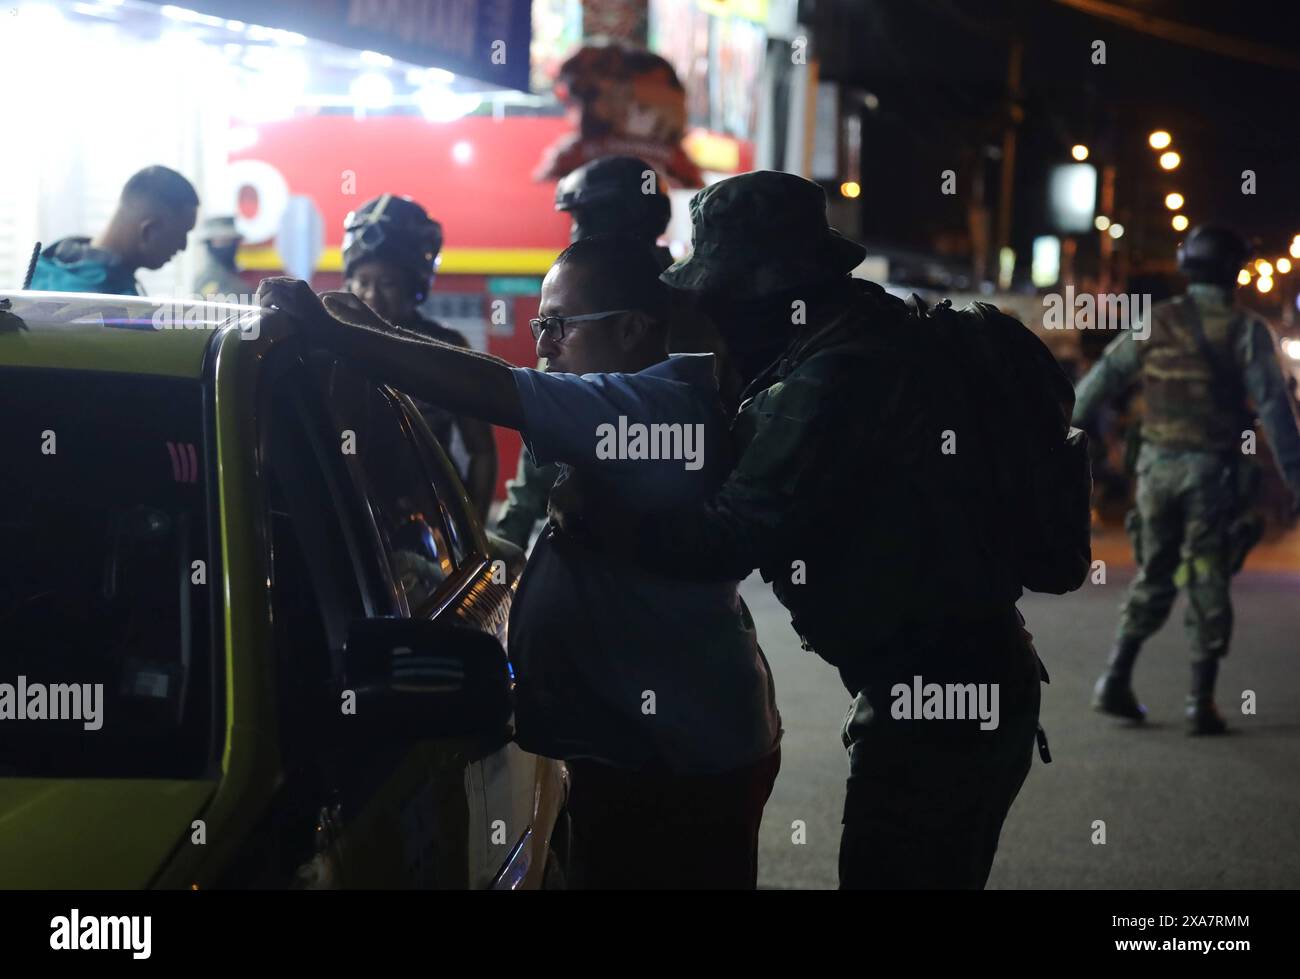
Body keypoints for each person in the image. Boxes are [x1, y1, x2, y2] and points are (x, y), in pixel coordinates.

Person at [550, 170, 1046, 890]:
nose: (717, 316)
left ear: (771, 290)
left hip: (942, 692)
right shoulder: (871, 329)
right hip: (946, 676)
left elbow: (733, 534)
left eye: (724, 297)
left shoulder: (834, 375)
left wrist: (602, 519)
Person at [257, 233, 782, 890]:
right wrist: (370, 330)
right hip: (660, 746)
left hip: (674, 760)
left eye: (559, 326)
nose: (543, 344)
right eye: (540, 325)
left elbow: (496, 389)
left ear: (630, 329)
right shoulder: (651, 402)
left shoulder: (645, 409)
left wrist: (334, 333)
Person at [1074, 225, 1300, 735]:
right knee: (1207, 574)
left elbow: (1095, 387)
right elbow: (1276, 411)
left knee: (1155, 571)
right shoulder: (1245, 330)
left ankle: (1115, 678)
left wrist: (1060, 445)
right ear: (1235, 273)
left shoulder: (1154, 323)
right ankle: (1201, 702)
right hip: (1210, 474)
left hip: (1154, 471)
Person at [494, 155, 731, 551]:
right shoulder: (586, 299)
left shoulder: (688, 309)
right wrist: (511, 534)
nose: (576, 232)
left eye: (586, 218)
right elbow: (544, 419)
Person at [341, 193, 497, 520]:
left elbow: (481, 449)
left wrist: (475, 526)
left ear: (415, 288)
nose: (372, 295)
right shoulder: (329, 349)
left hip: (433, 528)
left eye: (387, 283)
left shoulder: (445, 347)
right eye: (363, 282)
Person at [30, 166, 198, 296]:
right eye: (181, 233)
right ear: (149, 230)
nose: (183, 246)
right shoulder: (110, 310)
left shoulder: (47, 267)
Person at [193, 216, 246, 299]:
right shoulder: (206, 280)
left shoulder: (244, 274)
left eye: (229, 240)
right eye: (221, 241)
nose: (227, 246)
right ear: (209, 244)